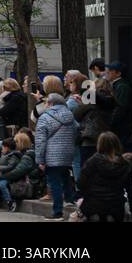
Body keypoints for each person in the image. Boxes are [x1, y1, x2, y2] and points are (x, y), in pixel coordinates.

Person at [34, 91, 78, 221]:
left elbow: (40, 141)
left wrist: (40, 160)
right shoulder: (70, 115)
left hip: (51, 155)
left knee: (54, 183)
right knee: (65, 176)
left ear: (51, 103)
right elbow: (77, 129)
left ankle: (57, 212)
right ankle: (71, 200)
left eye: (47, 102)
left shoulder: (45, 117)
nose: (46, 105)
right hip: (68, 153)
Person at [76, 131, 132, 222]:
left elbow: (80, 183)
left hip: (93, 205)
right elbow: (131, 190)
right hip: (116, 206)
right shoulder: (125, 164)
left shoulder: (92, 162)